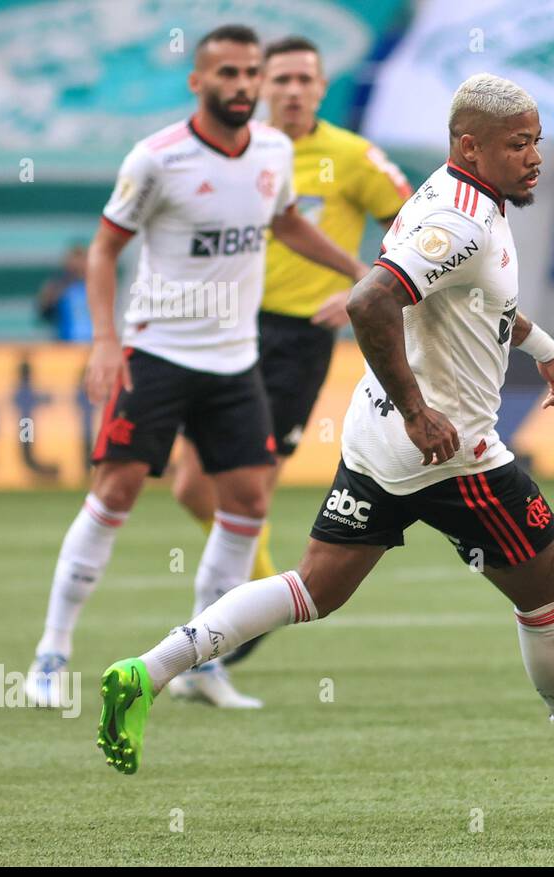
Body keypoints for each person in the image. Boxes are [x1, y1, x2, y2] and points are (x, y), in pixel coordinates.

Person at [95, 73, 554, 804]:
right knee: (549, 592)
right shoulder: (463, 222)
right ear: (470, 146)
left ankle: (150, 669)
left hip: (375, 442)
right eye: (518, 144)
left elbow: (482, 303)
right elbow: (369, 299)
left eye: (537, 141)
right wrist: (419, 409)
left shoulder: (453, 197)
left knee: (314, 589)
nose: (534, 156)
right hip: (451, 451)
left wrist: (546, 353)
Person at [26, 24, 369, 709]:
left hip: (235, 364)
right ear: (198, 82)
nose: (241, 85)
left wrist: (360, 272)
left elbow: (286, 223)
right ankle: (50, 655)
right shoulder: (156, 159)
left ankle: (204, 665)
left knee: (247, 506)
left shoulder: (272, 150)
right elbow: (102, 251)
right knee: (115, 493)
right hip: (157, 357)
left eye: (250, 73)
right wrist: (103, 340)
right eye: (229, 74)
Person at [167, 34, 412, 686]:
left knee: (244, 490)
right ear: (260, 87)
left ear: (323, 87)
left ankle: (212, 653)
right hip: (223, 333)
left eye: (306, 79)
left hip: (293, 343)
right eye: (283, 80)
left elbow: (414, 224)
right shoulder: (247, 153)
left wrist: (364, 286)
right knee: (191, 485)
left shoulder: (351, 156)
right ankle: (260, 581)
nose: (294, 90)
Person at [36, 243, 92, 342]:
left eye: (81, 258)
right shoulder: (58, 286)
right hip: (66, 344)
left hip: (93, 343)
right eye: (74, 258)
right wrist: (47, 298)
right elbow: (44, 314)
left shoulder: (96, 285)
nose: (77, 263)